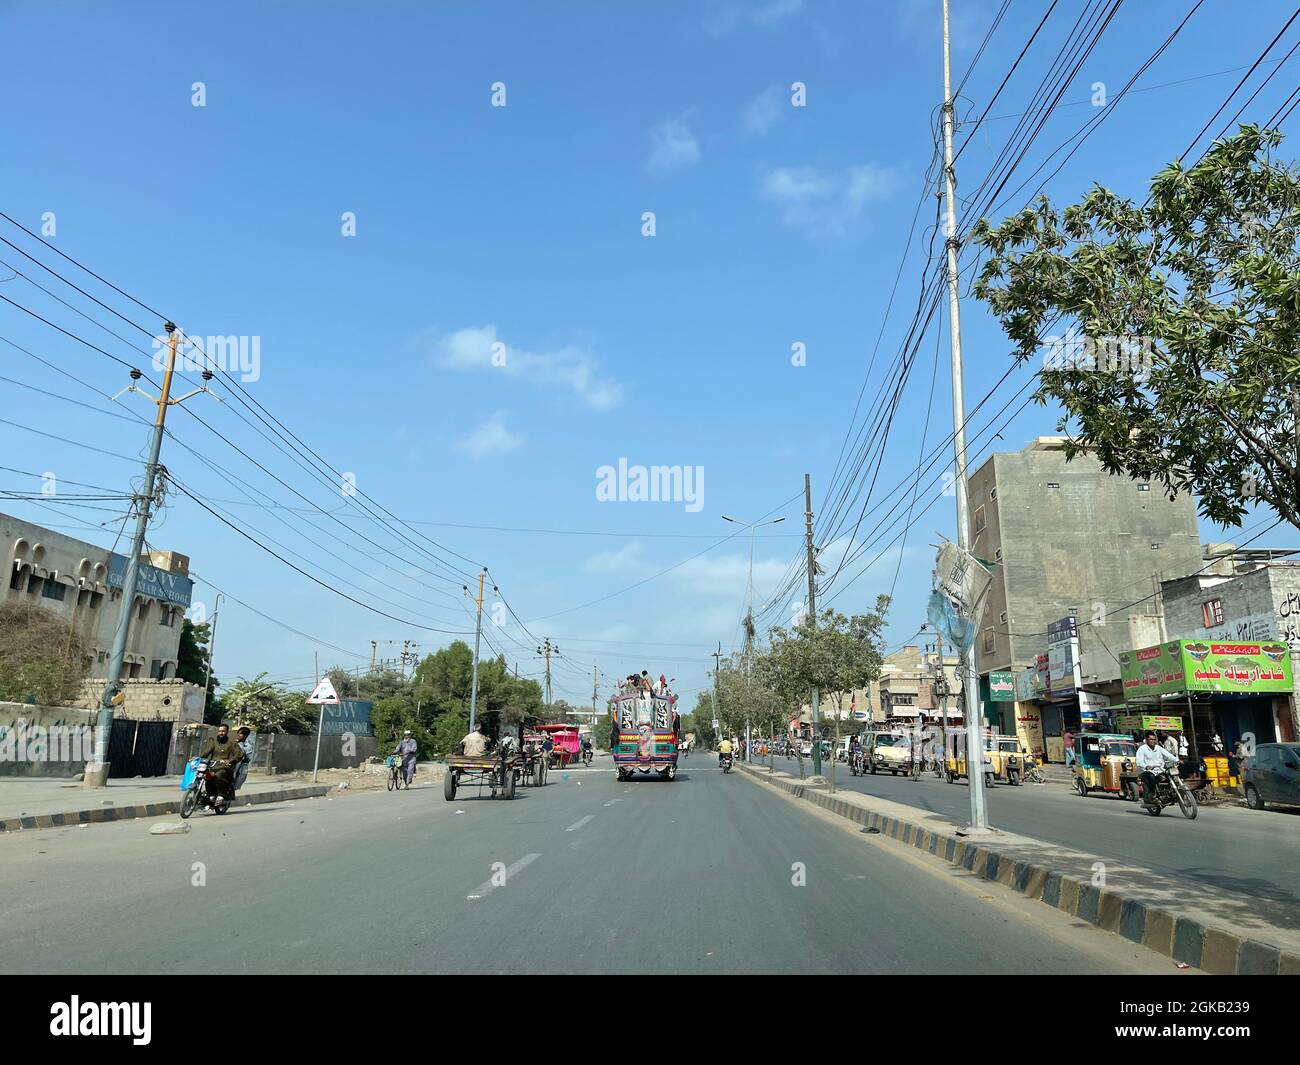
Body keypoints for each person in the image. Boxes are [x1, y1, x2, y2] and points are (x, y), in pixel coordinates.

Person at [198, 724, 246, 806]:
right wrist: (198, 758)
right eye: (219, 731)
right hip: (213, 765)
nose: (221, 733)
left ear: (227, 732)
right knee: (206, 775)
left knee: (219, 775)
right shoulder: (214, 742)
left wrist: (230, 760)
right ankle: (210, 795)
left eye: (223, 731)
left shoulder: (231, 743)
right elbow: (206, 753)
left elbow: (239, 754)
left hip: (225, 768)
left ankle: (221, 795)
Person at [1136, 731, 1179, 802]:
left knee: (1169, 775)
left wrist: (1177, 760)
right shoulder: (1142, 749)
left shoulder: (1159, 748)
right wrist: (1146, 766)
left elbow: (1168, 755)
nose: (1153, 741)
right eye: (1151, 739)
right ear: (1146, 740)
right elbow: (1139, 761)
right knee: (1151, 776)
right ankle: (1152, 794)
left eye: (1154, 739)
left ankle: (1168, 793)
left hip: (1159, 770)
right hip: (1146, 772)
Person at [233, 726, 256, 791]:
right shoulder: (233, 743)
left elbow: (248, 759)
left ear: (245, 736)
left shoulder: (248, 746)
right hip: (229, 763)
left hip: (240, 764)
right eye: (238, 733)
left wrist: (243, 753)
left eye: (240, 734)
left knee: (243, 773)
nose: (238, 735)